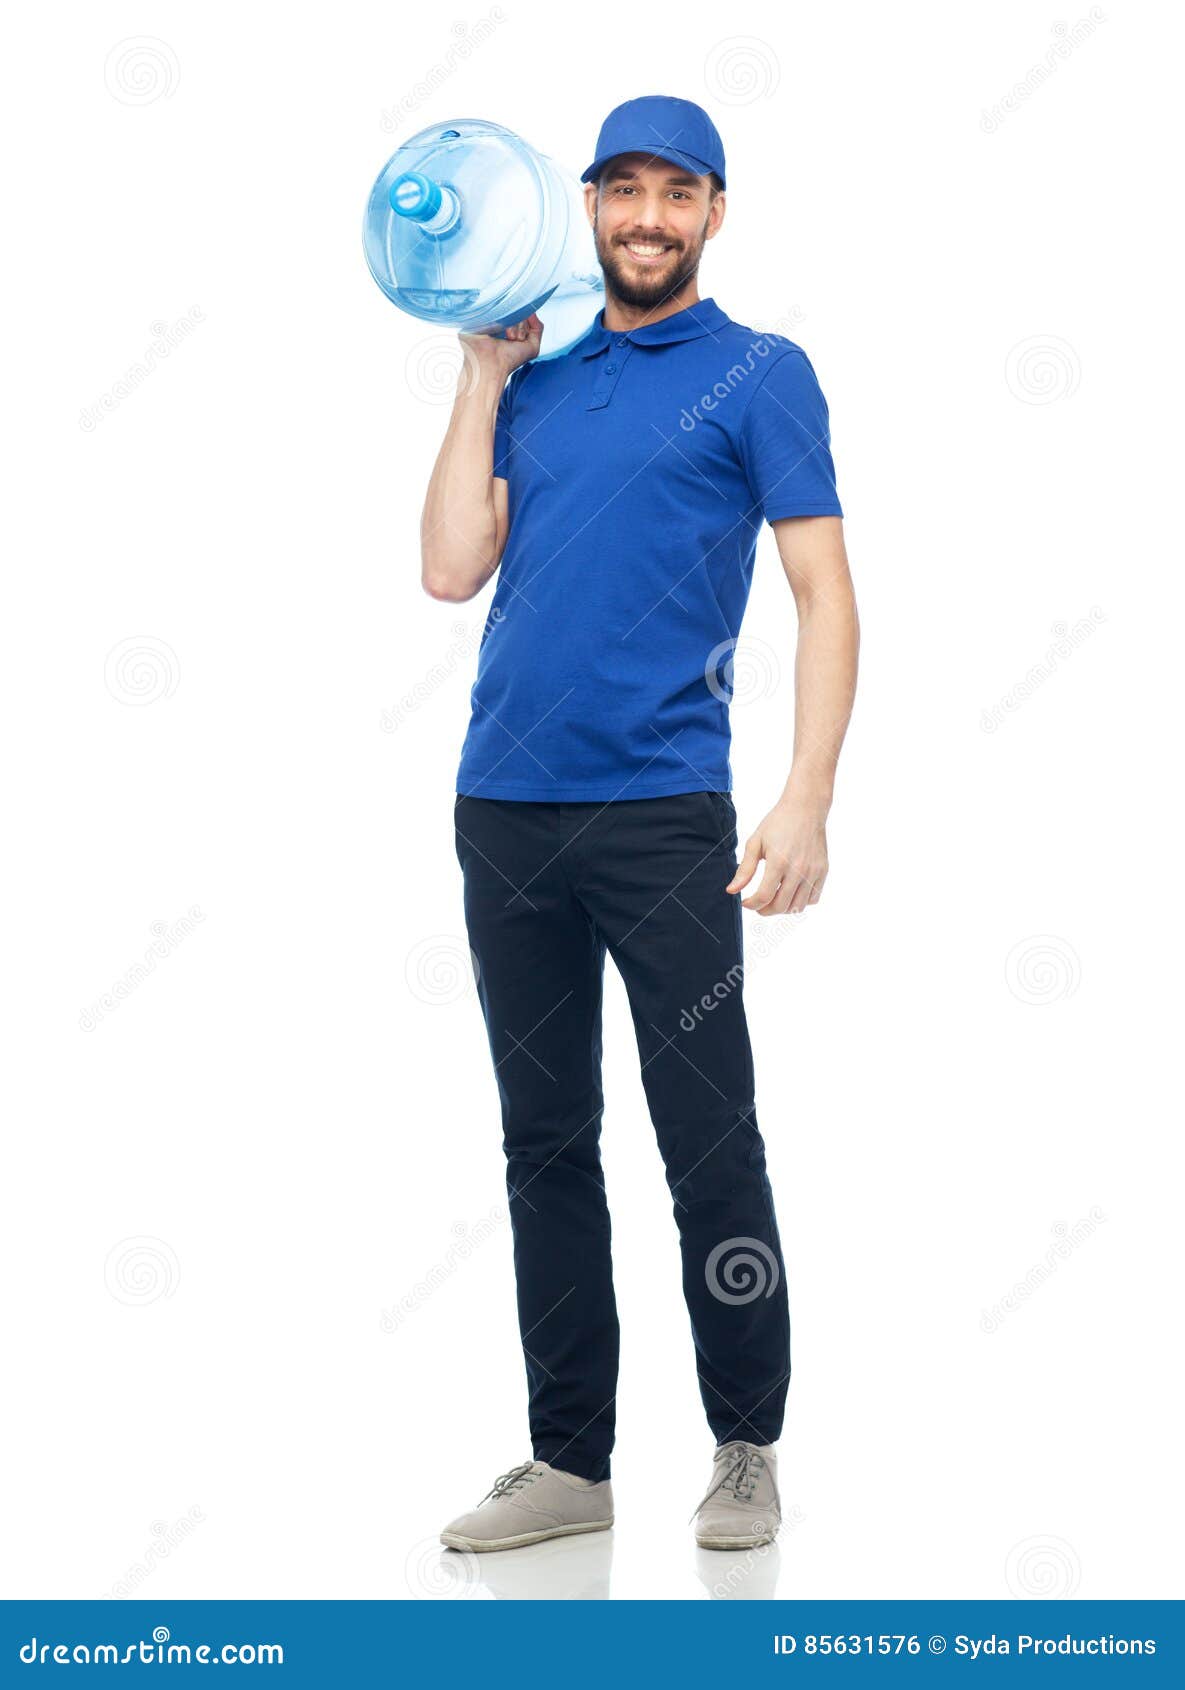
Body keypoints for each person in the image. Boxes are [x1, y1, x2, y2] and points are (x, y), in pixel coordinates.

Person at [420, 95, 859, 1552]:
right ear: (584, 210)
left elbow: (822, 594)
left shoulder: (758, 374)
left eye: (678, 192)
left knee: (706, 1138)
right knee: (543, 1141)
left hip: (664, 819)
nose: (649, 217)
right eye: (622, 191)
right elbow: (446, 567)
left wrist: (803, 793)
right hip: (504, 813)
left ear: (714, 213)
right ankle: (568, 1460)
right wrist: (481, 375)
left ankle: (744, 1444)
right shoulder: (534, 383)